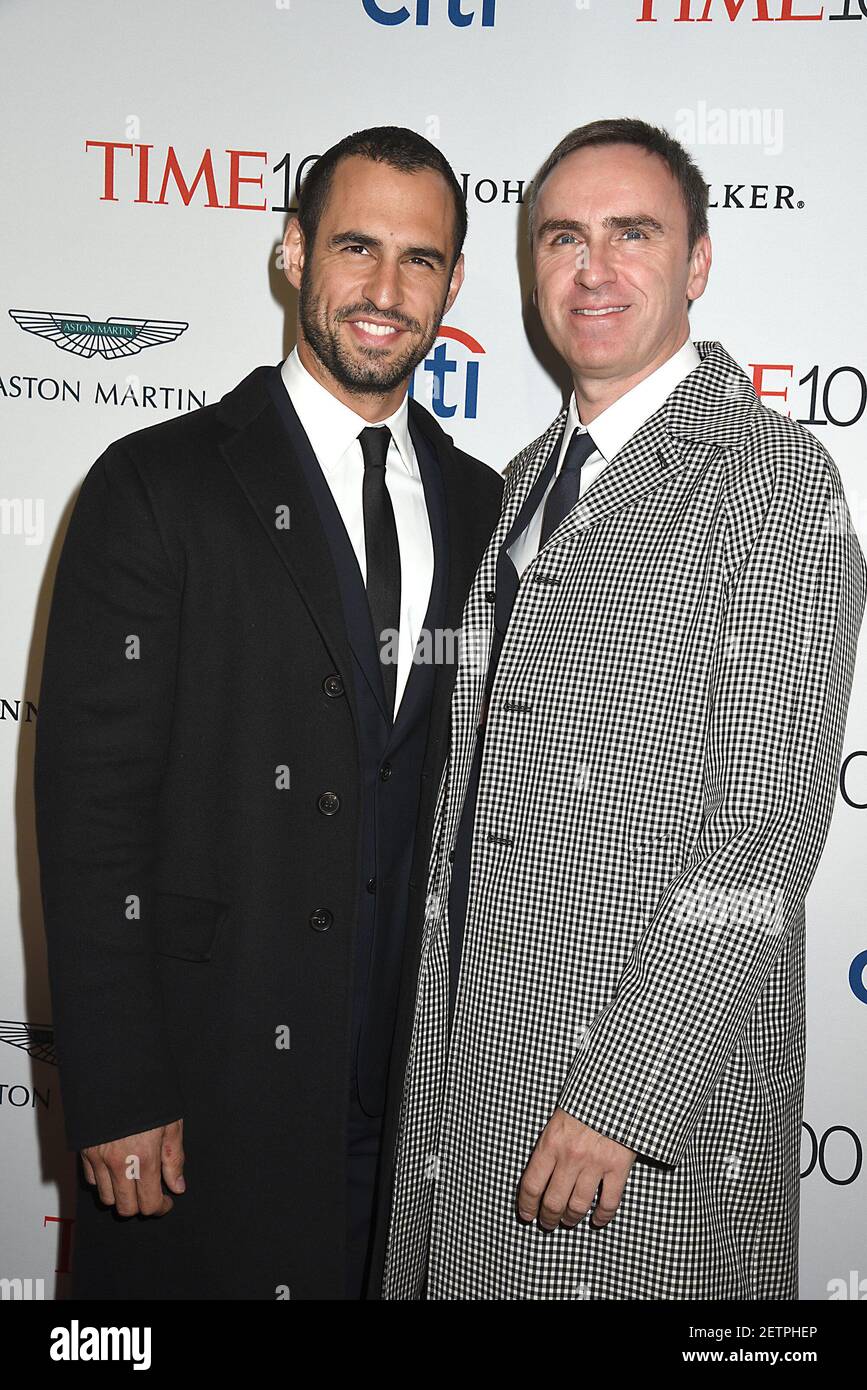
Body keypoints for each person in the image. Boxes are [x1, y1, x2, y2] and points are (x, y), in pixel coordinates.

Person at [379, 117, 866, 1300]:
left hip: (637, 1127)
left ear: (696, 264)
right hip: (468, 1079)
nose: (592, 270)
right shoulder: (522, 483)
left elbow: (767, 831)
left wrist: (621, 1097)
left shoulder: (775, 478)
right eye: (562, 238)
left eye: (631, 234)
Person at [34, 125, 502, 1300]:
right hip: (207, 1077)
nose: (386, 290)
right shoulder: (158, 484)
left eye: (420, 258)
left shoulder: (489, 504)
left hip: (408, 1107)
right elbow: (90, 812)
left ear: (454, 282)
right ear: (293, 255)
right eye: (355, 247)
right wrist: (123, 1086)